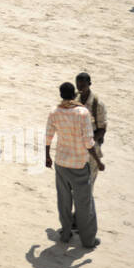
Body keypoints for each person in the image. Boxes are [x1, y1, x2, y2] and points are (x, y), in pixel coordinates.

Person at [45, 81, 104, 248]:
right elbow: (88, 141)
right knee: (84, 203)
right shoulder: (82, 113)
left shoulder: (55, 112)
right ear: (74, 94)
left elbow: (48, 136)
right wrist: (98, 161)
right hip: (78, 164)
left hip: (61, 163)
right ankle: (88, 240)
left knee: (63, 200)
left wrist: (47, 157)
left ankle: (65, 233)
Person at [74, 72, 107, 186]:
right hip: (75, 148)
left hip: (91, 150)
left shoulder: (97, 104)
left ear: (89, 84)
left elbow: (102, 129)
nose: (80, 87)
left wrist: (88, 142)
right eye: (78, 85)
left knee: (88, 185)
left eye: (83, 85)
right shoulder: (73, 100)